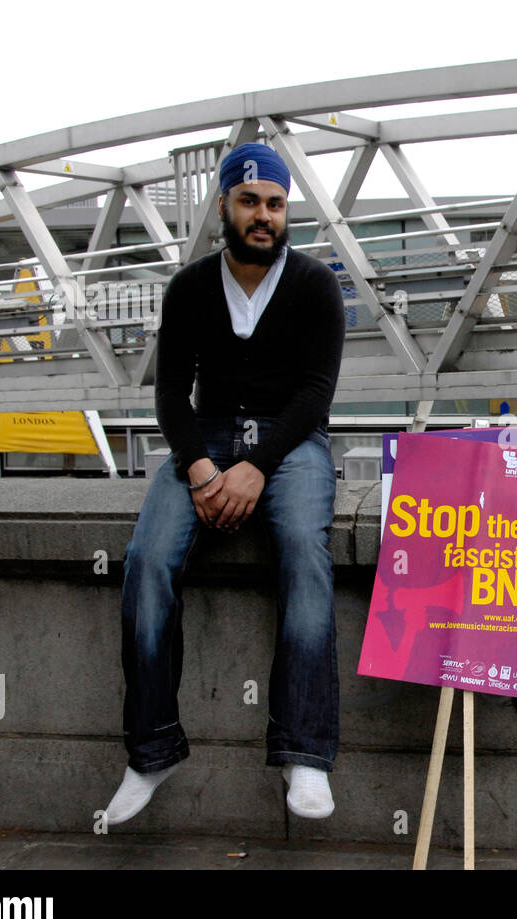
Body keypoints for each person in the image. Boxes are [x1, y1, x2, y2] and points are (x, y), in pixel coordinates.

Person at [105, 143, 346, 824]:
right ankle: (151, 751)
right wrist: (202, 466)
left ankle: (305, 752)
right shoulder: (188, 290)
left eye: (274, 203)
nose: (263, 216)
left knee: (304, 549)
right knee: (148, 561)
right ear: (223, 206)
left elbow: (315, 396)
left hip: (289, 442)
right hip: (206, 438)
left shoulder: (314, 284)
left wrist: (257, 465)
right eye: (249, 202)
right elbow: (170, 396)